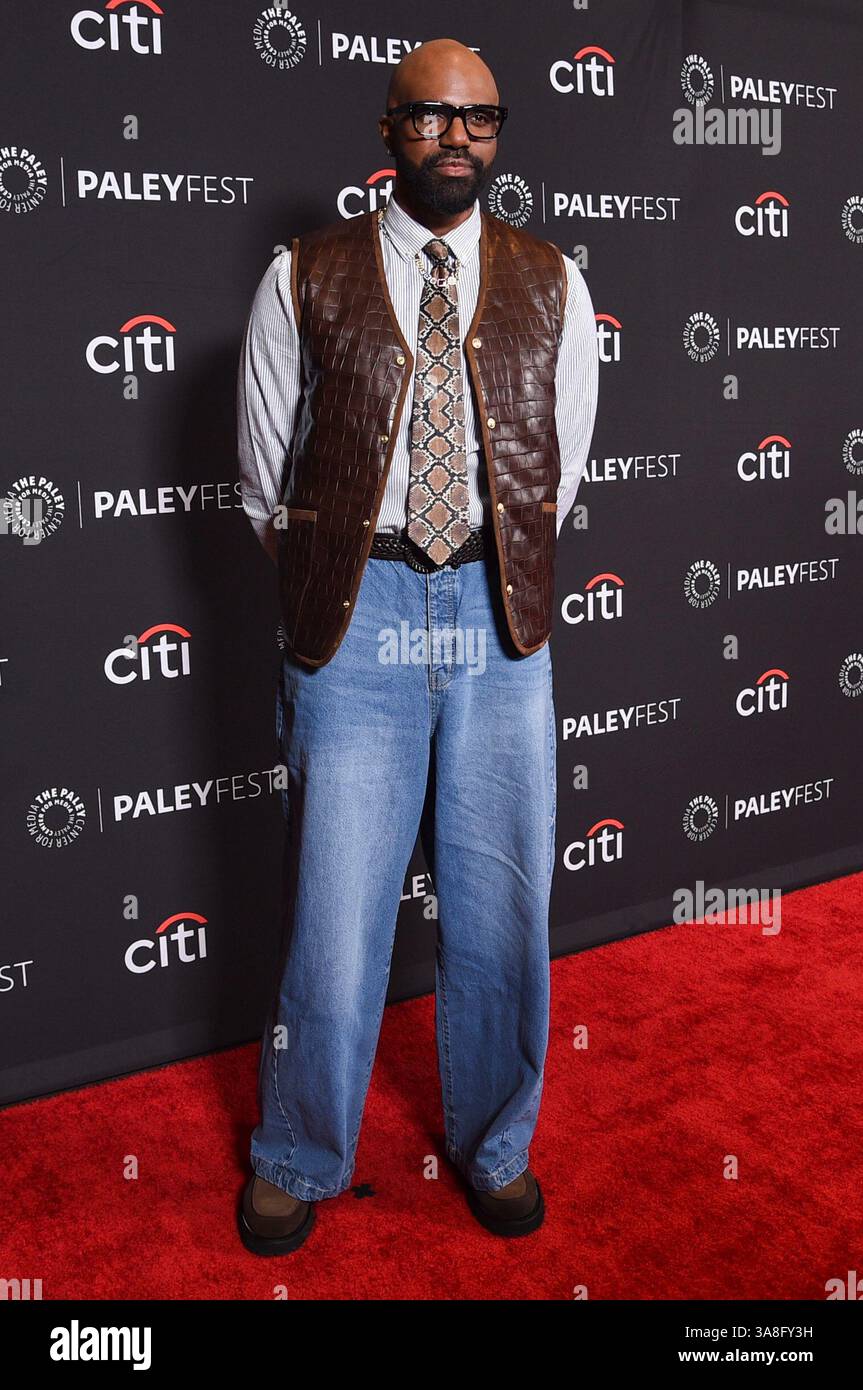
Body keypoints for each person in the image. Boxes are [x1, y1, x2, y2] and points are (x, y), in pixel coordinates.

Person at [235, 36, 598, 1255]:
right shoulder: (303, 274)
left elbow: (562, 462)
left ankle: (496, 1141)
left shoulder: (553, 279)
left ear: (498, 134)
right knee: (335, 913)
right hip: (359, 616)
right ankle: (297, 1151)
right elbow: (261, 477)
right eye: (433, 116)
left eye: (481, 118)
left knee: (501, 909)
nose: (458, 138)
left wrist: (485, 562)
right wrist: (358, 574)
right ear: (387, 129)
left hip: (504, 619)